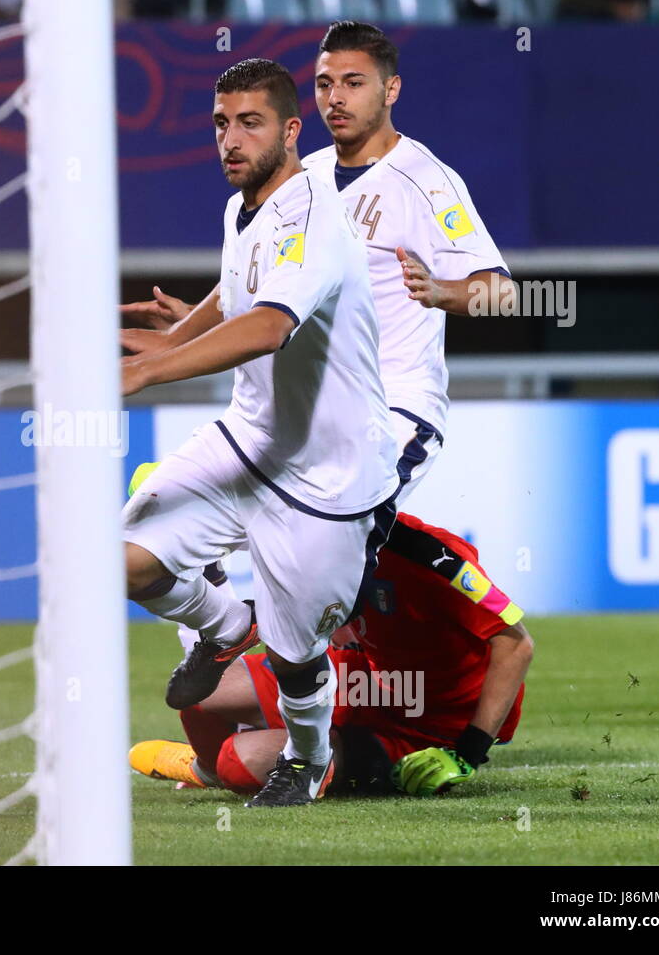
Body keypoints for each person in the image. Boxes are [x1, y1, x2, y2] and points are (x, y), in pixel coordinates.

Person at [121, 59, 398, 807]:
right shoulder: (243, 208)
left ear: (290, 131)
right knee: (117, 565)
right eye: (220, 123)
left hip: (326, 478)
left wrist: (152, 372)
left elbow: (273, 324)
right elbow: (239, 286)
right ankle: (222, 626)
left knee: (297, 655)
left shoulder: (314, 214)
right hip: (247, 442)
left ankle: (307, 760)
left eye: (250, 123)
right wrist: (180, 332)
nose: (231, 140)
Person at [124, 21, 517, 506]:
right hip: (312, 412)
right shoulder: (301, 175)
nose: (336, 98)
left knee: (353, 527)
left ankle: (452, 574)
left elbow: (503, 293)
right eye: (325, 84)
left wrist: (441, 292)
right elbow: (251, 285)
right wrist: (186, 327)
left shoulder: (428, 183)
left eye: (354, 84)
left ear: (391, 89)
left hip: (392, 410)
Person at [130, 512, 534, 798]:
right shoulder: (314, 536)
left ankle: (263, 763)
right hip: (369, 683)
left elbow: (516, 643)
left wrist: (466, 752)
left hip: (430, 726)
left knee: (240, 761)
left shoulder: (431, 556)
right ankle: (207, 770)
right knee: (204, 696)